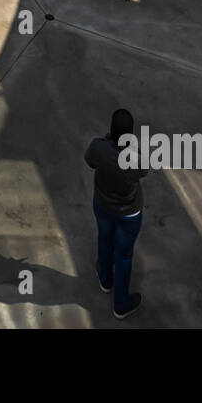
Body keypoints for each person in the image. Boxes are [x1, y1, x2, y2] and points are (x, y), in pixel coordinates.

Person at [84, 108, 147, 319]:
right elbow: (144, 171)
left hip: (102, 205)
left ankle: (104, 278)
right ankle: (120, 304)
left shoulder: (99, 147)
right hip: (128, 214)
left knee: (104, 237)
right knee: (124, 254)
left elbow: (90, 160)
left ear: (111, 129)